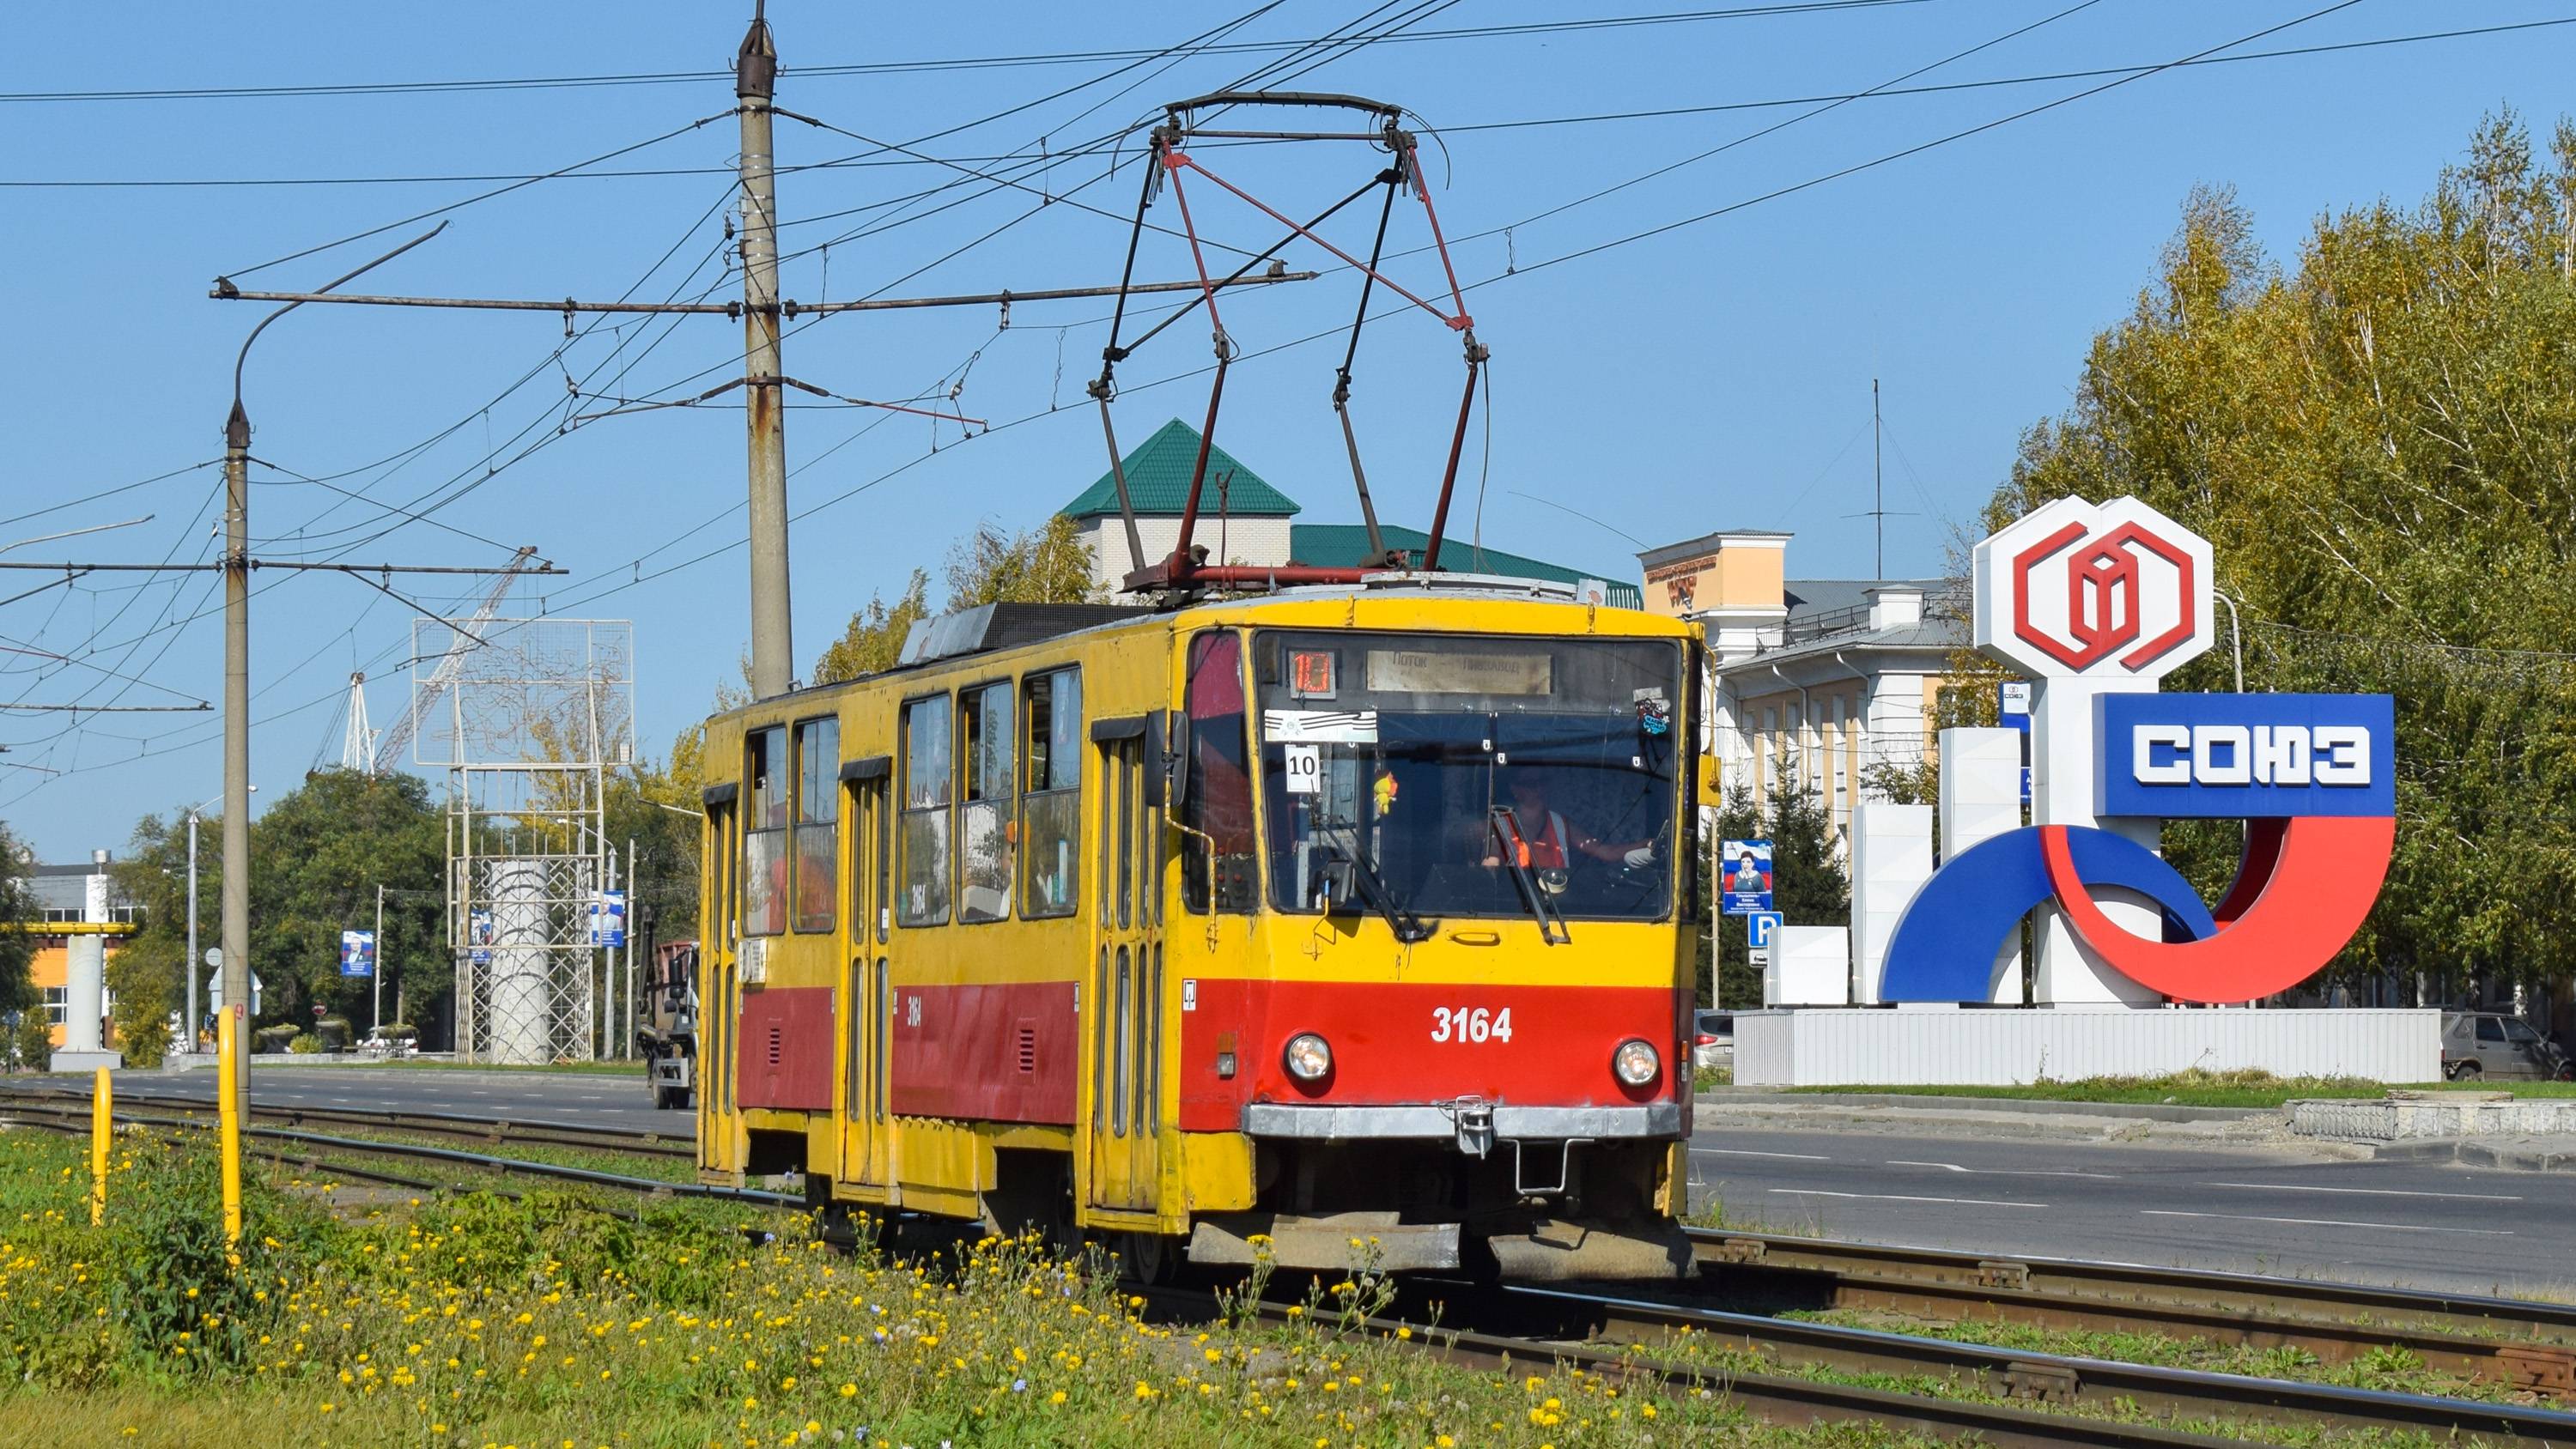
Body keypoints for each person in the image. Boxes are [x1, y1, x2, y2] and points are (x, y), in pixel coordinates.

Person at [1481, 772, 1656, 871]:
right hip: (1515, 902)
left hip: (1558, 904)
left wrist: (1642, 843)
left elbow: (1605, 852)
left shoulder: (1561, 824)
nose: (1539, 788)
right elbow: (1492, 858)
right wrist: (1488, 869)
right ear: (1514, 789)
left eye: (1542, 782)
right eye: (1530, 784)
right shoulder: (1500, 825)